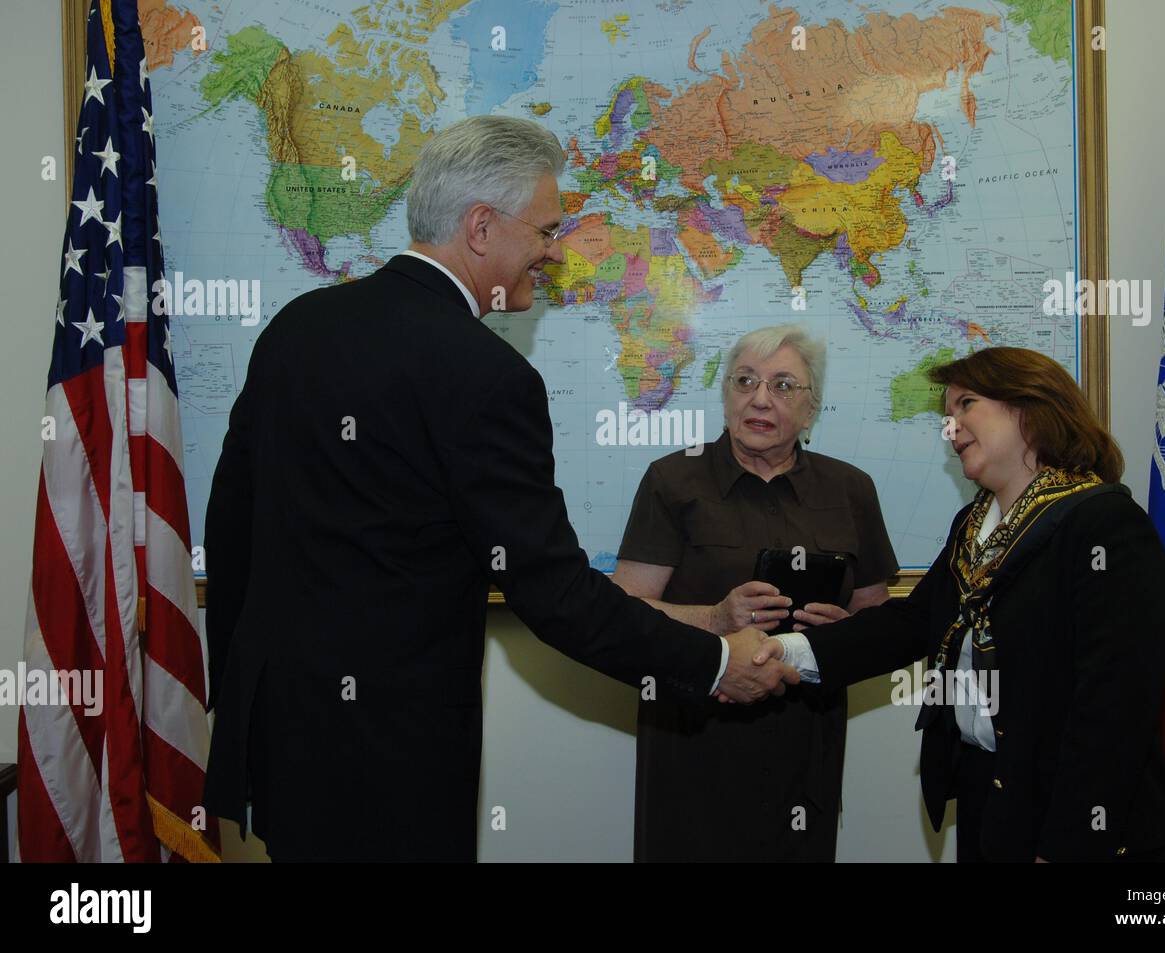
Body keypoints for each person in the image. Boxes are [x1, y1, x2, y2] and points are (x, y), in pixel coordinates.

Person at [201, 116, 797, 862]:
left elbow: (230, 529)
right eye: (545, 229)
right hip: (395, 767)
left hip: (283, 744)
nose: (552, 251)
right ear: (481, 226)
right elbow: (550, 590)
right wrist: (709, 663)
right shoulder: (487, 376)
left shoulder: (298, 326)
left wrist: (240, 696)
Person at [755, 346, 1165, 862]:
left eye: (967, 404)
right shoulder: (974, 529)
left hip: (1077, 817)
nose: (951, 426)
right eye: (947, 413)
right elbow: (910, 624)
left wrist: (1066, 847)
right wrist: (783, 652)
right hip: (990, 797)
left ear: (1029, 408)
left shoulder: (1104, 526)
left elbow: (1114, 709)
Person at [614, 325, 898, 861]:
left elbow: (878, 622)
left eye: (783, 385)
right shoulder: (673, 480)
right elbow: (625, 611)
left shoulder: (850, 489)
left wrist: (843, 638)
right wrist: (717, 618)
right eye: (745, 382)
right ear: (725, 397)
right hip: (693, 736)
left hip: (804, 740)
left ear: (811, 410)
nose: (760, 398)